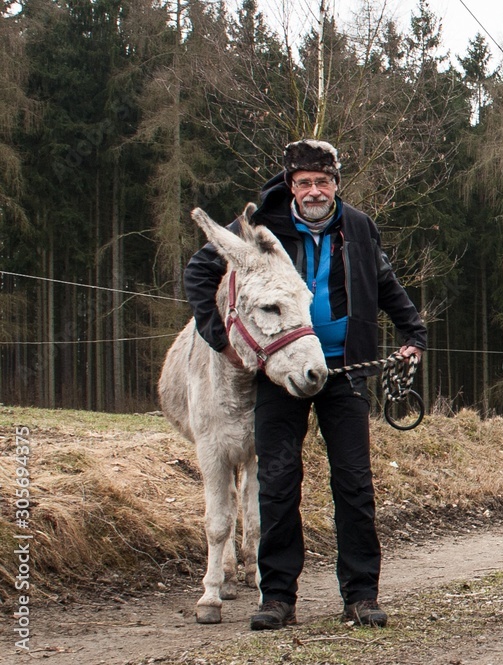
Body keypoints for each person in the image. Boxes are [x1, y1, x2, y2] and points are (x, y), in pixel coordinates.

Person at [183, 139, 427, 631]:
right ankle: (277, 598)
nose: (314, 191)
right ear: (291, 186)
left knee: (354, 484)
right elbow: (199, 271)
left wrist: (413, 334)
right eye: (304, 183)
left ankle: (361, 596)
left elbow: (384, 284)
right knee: (277, 484)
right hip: (278, 376)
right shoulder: (261, 225)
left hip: (345, 371)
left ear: (336, 184)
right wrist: (223, 345)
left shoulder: (357, 227)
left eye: (323, 182)